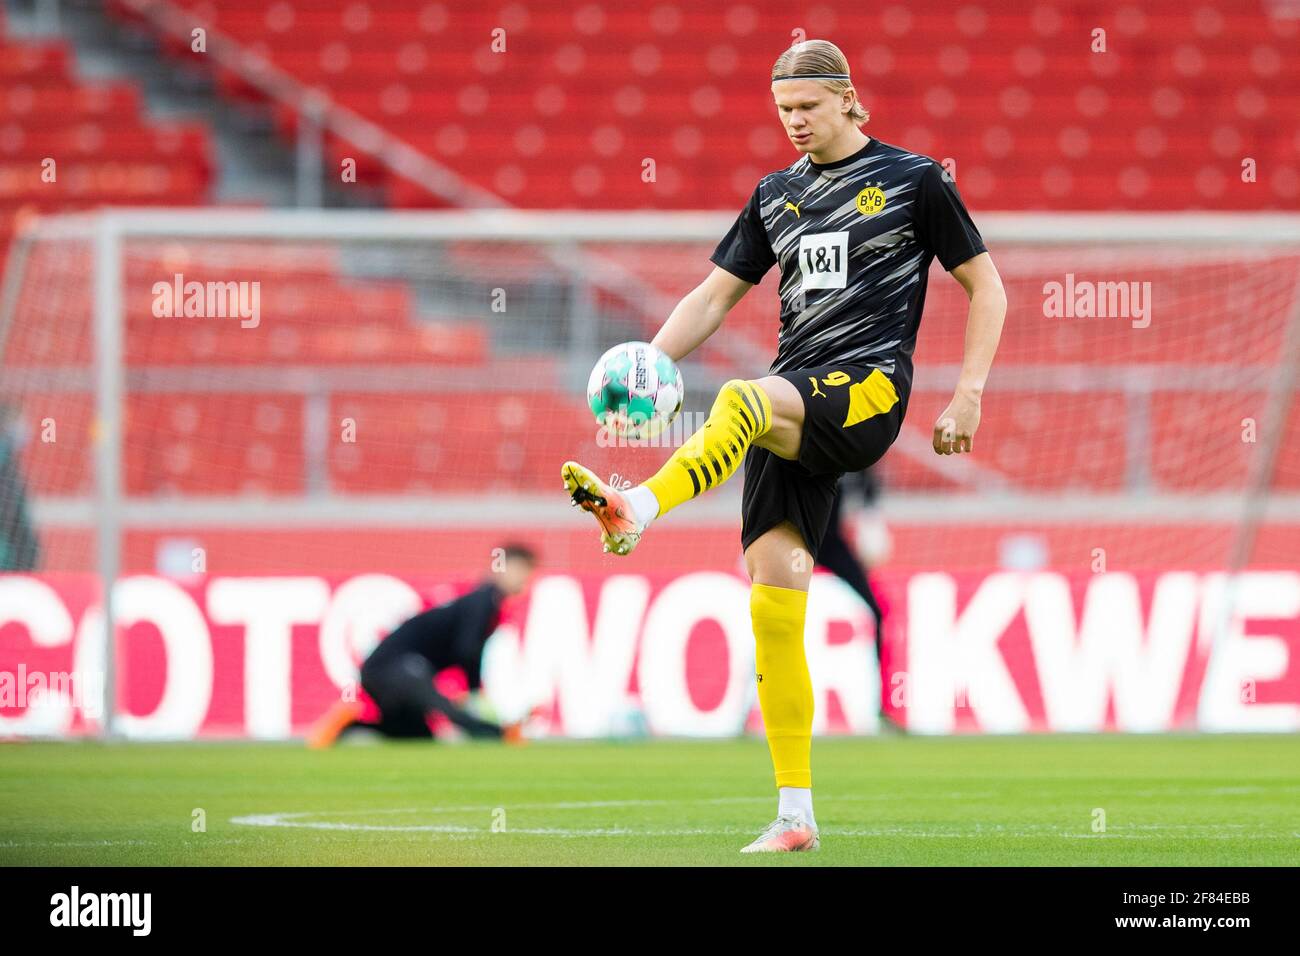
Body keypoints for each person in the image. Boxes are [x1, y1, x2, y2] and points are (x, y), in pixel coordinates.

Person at [561, 40, 1006, 852]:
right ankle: (796, 815)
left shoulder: (913, 181)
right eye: (782, 111)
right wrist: (649, 366)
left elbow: (987, 284)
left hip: (866, 391)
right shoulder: (776, 196)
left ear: (846, 99)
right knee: (773, 605)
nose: (794, 122)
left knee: (739, 398)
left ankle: (638, 505)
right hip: (789, 407)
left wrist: (968, 391)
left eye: (806, 107)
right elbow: (713, 296)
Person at [307, 544, 538, 747]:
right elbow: (467, 650)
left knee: (417, 735)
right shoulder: (484, 600)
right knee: (444, 709)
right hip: (394, 667)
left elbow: (467, 651)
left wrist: (472, 691)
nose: (524, 579)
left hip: (391, 670)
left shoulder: (486, 603)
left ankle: (352, 723)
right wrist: (474, 695)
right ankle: (502, 735)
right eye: (520, 570)